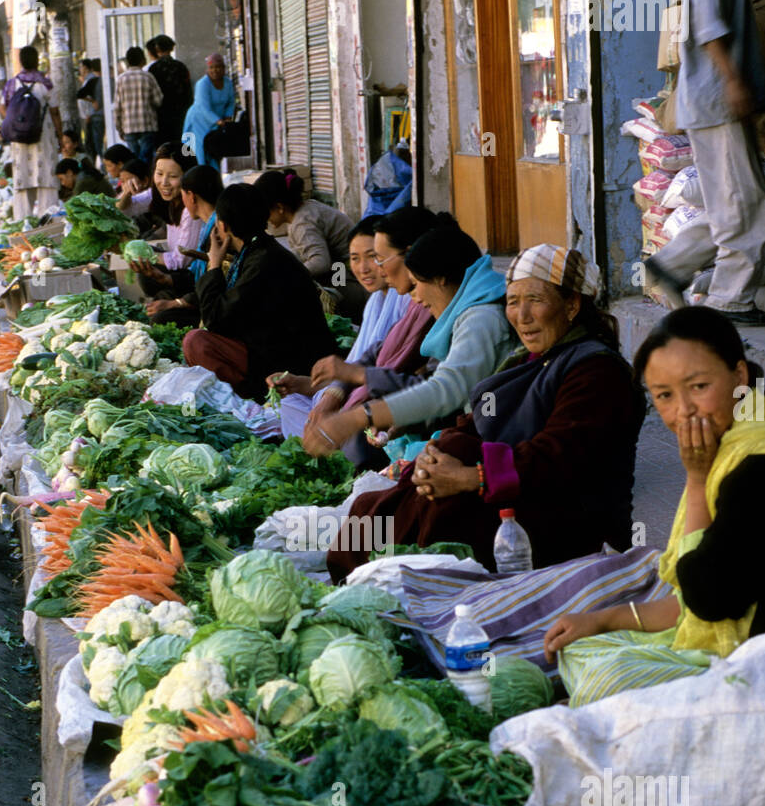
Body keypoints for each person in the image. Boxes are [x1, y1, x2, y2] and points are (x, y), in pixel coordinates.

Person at [327, 245, 645, 581]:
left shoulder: (597, 370)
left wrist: (470, 477)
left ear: (571, 305)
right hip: (518, 497)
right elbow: (481, 422)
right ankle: (361, 582)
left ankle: (386, 587)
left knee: (438, 516)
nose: (521, 316)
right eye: (512, 301)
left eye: (535, 300)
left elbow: (557, 457)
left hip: (569, 520)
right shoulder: (533, 359)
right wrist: (433, 456)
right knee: (373, 510)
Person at [544, 305, 765, 705]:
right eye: (664, 396)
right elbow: (690, 601)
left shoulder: (754, 464)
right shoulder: (735, 440)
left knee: (605, 685)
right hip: (720, 621)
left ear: (739, 376)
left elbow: (707, 599)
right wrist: (599, 620)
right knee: (578, 648)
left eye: (698, 386)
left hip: (749, 664)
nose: (684, 411)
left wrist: (696, 481)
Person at [303, 211, 512, 469]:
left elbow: (445, 390)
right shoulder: (463, 312)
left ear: (440, 278)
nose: (416, 297)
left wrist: (357, 417)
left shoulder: (481, 319)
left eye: (417, 285)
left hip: (499, 444)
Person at [644, 0, 765, 325]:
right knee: (746, 207)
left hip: (714, 98)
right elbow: (709, 23)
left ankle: (672, 265)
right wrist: (734, 81)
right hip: (716, 99)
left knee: (731, 202)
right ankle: (730, 299)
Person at [182, 182, 339, 401]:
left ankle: (250, 400)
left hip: (291, 363)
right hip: (274, 348)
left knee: (195, 342)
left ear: (223, 226)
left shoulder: (264, 261)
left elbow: (214, 318)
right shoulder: (259, 252)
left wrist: (214, 264)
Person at [268, 214, 411, 438]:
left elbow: (377, 380)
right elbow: (352, 373)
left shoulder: (407, 301)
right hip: (355, 398)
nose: (363, 268)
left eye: (372, 256)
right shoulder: (375, 302)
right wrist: (298, 383)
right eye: (354, 258)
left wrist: (337, 403)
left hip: (379, 408)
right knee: (290, 400)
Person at [119, 143, 204, 301]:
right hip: (179, 267)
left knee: (146, 265)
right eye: (159, 174)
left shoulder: (191, 209)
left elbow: (181, 261)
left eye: (173, 177)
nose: (164, 182)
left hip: (191, 275)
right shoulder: (161, 194)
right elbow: (125, 209)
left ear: (187, 177)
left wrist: (145, 256)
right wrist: (126, 193)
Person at [253, 167, 356, 292]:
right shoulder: (302, 211)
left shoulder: (302, 223)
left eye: (265, 212)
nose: (265, 219)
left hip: (348, 271)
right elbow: (302, 253)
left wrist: (289, 277)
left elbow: (321, 263)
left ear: (280, 207)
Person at [146, 163, 223, 325]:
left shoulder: (217, 232)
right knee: (161, 296)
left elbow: (214, 283)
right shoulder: (209, 225)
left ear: (191, 196)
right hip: (201, 294)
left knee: (161, 318)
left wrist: (176, 303)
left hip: (214, 307)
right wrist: (163, 278)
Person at [0, 46, 62, 219]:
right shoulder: (46, 83)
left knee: (23, 179)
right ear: (36, 61)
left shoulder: (12, 84)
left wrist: (16, 122)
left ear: (21, 62)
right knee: (46, 179)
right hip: (43, 136)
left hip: (20, 138)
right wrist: (61, 137)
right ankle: (48, 224)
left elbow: (2, 107)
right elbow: (55, 112)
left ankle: (23, 222)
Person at [181, 53, 237, 170]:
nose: (215, 70)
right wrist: (218, 121)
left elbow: (231, 102)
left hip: (216, 123)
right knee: (197, 151)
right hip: (198, 121)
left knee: (213, 151)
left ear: (223, 68)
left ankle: (213, 177)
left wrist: (227, 117)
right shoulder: (202, 84)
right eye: (211, 67)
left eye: (218, 67)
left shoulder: (228, 83)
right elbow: (204, 108)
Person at [112, 47, 162, 165]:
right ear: (142, 60)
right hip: (148, 124)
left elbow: (117, 107)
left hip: (129, 126)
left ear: (127, 62)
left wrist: (119, 127)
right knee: (146, 158)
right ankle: (146, 180)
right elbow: (158, 100)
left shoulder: (121, 79)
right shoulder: (148, 77)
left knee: (133, 159)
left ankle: (137, 179)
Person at [148, 34, 193, 146]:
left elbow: (151, 95)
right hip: (181, 113)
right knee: (182, 146)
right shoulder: (181, 67)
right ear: (171, 48)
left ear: (157, 48)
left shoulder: (153, 69)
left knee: (164, 148)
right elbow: (188, 92)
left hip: (161, 116)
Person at [77, 58, 104, 160]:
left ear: (87, 68)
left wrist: (91, 104)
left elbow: (81, 95)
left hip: (93, 115)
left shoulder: (92, 79)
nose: (80, 69)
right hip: (93, 115)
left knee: (94, 142)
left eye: (81, 67)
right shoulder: (90, 79)